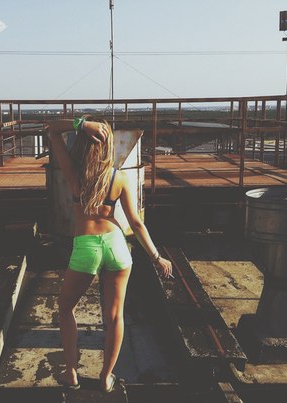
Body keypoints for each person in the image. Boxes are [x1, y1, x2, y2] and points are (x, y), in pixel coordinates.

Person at [48, 116, 173, 393]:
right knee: (115, 316)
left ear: (82, 145)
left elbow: (52, 130)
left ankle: (71, 373)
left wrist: (81, 124)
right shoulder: (120, 178)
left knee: (66, 308)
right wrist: (156, 257)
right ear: (107, 147)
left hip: (87, 246)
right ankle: (106, 377)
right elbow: (136, 223)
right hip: (116, 245)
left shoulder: (74, 173)